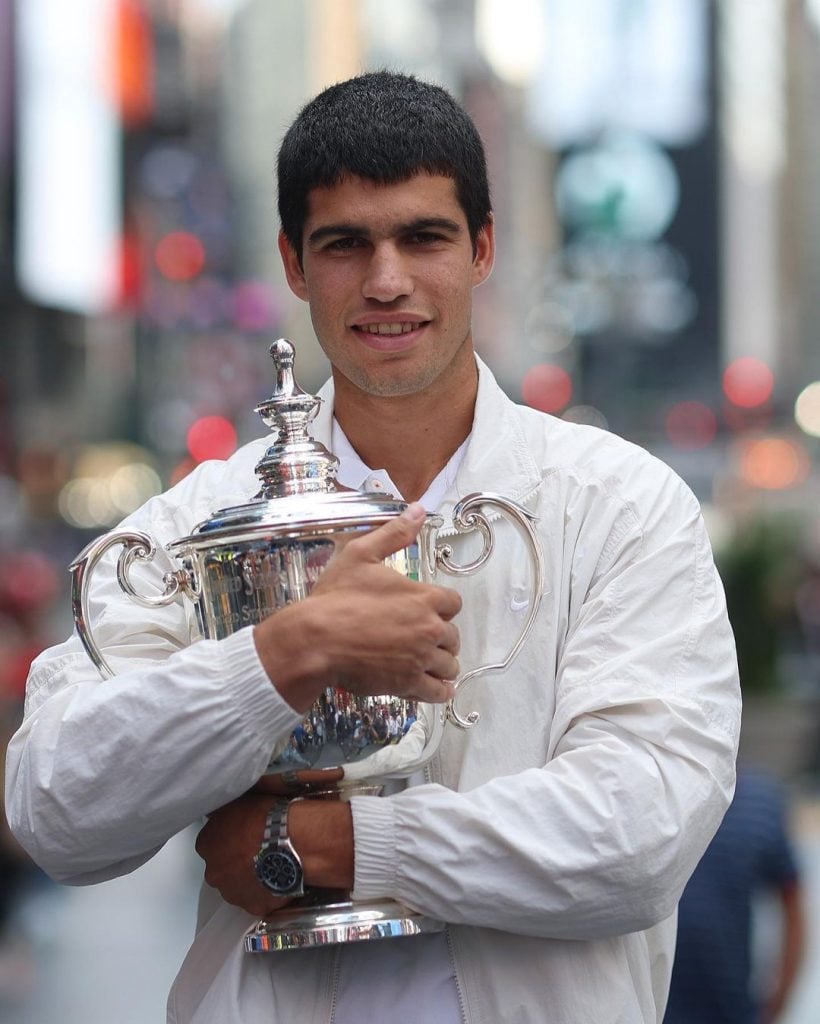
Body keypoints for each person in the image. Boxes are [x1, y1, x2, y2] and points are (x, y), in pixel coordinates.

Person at [4, 71, 740, 1023]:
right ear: (294, 264)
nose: (387, 280)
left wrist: (337, 844)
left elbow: (639, 833)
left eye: (422, 237)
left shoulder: (620, 506)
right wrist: (278, 660)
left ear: (481, 248)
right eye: (346, 243)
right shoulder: (206, 517)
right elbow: (55, 811)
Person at [665, 769, 807, 1024]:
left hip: (731, 1008)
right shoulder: (656, 791)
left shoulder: (763, 802)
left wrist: (779, 999)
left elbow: (792, 901)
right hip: (652, 1006)